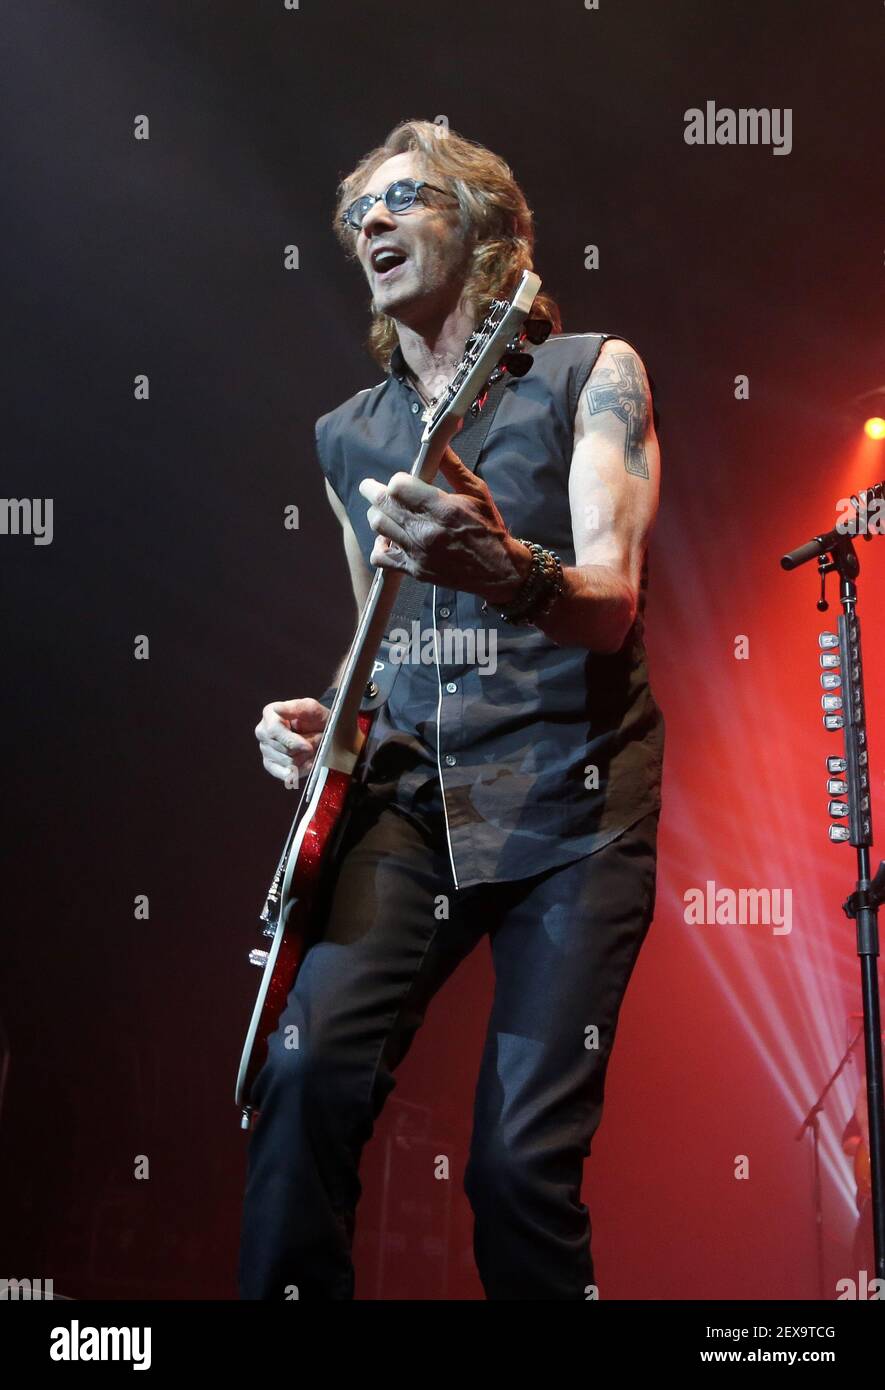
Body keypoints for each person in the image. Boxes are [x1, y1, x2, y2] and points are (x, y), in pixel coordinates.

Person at [238, 119, 665, 1300]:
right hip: (418, 794)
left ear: (483, 227)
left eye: (406, 199)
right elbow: (380, 647)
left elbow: (612, 604)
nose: (371, 223)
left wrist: (506, 568)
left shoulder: (594, 373)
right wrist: (320, 722)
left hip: (574, 800)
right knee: (304, 1074)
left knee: (517, 1168)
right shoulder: (347, 437)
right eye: (360, 213)